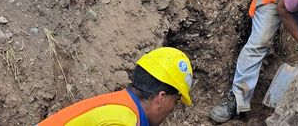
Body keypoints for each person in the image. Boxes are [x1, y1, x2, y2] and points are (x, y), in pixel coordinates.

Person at [38, 47, 194, 126]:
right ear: (161, 98)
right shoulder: (120, 121)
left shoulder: (121, 107)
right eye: (175, 102)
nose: (171, 109)